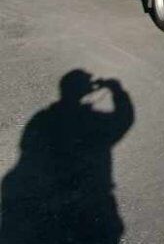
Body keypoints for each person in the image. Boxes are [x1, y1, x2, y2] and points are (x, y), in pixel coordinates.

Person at [0, 69, 134, 244]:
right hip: (91, 203)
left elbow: (26, 147)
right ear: (86, 90)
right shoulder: (91, 121)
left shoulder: (42, 119)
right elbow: (123, 119)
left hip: (51, 203)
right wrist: (117, 90)